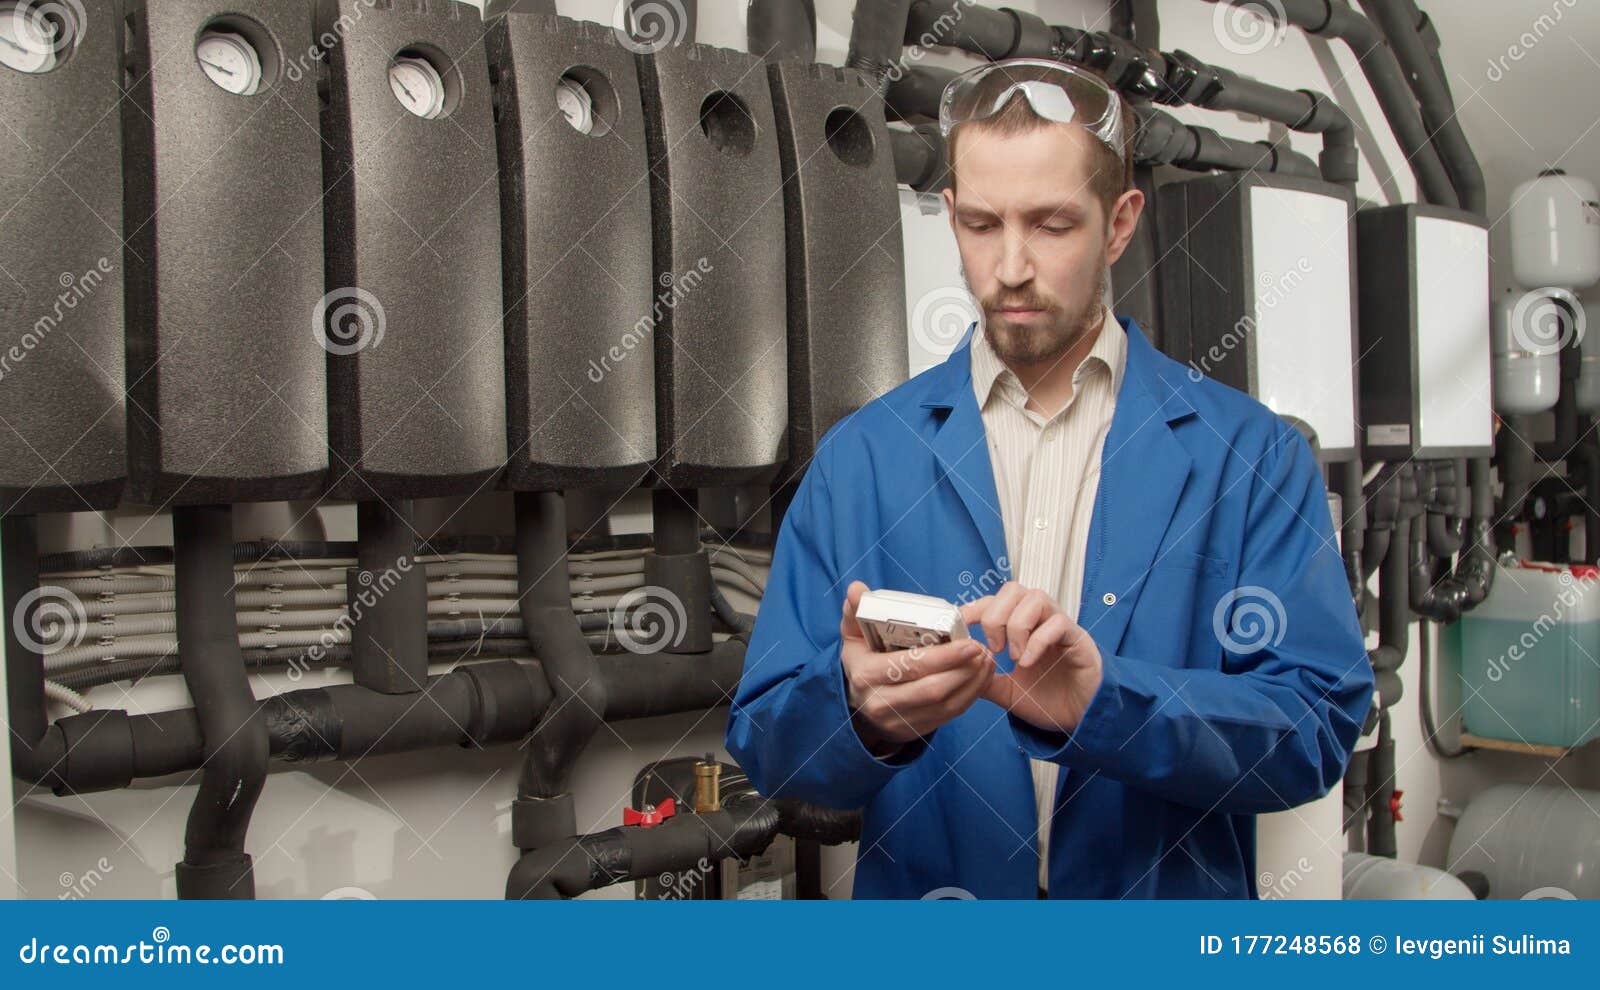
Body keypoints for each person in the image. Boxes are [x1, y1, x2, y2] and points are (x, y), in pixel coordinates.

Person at [724, 59, 1373, 899]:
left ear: (1119, 223)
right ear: (951, 215)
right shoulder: (864, 458)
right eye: (982, 224)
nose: (1011, 267)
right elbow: (770, 748)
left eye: (1053, 224)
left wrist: (1107, 702)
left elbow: (1313, 732)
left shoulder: (1249, 457)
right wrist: (854, 709)